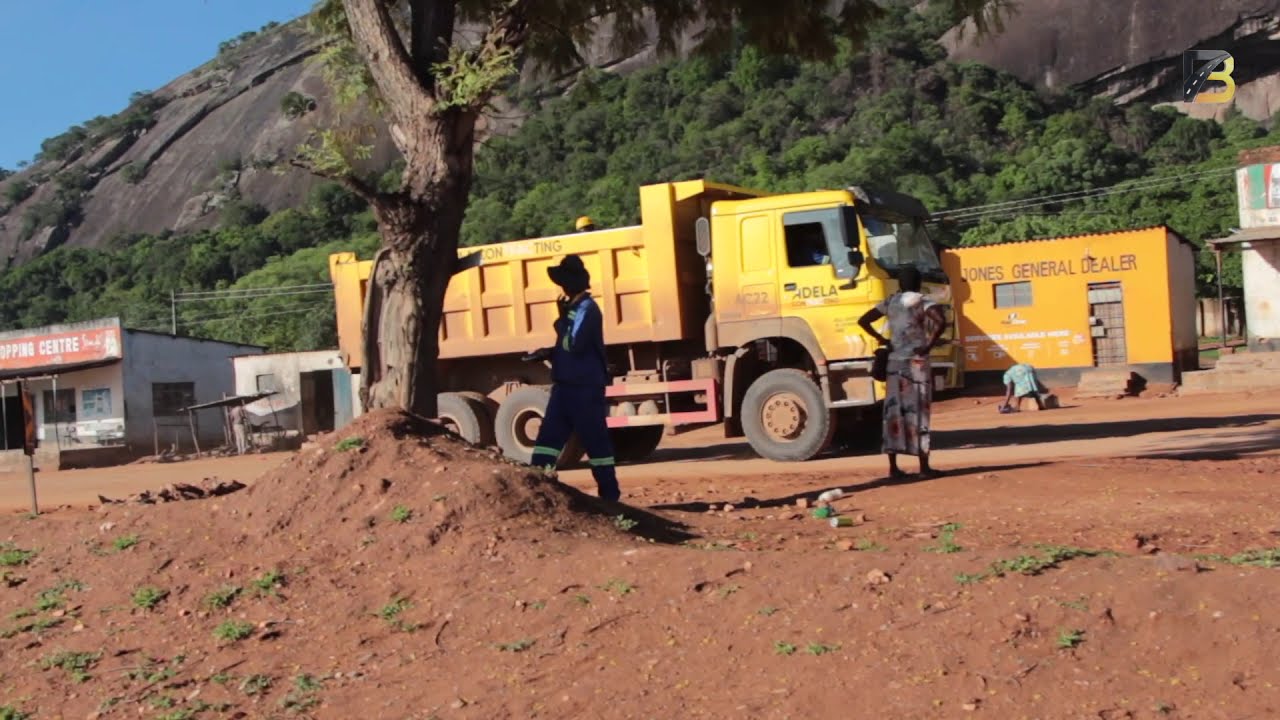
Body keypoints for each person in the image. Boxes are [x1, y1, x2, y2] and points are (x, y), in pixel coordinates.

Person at [521, 254, 621, 501]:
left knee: (596, 442)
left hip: (584, 388)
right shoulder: (575, 309)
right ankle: (540, 493)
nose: (562, 288)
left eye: (564, 283)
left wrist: (562, 322)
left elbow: (574, 344)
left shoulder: (587, 309)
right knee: (547, 440)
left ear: (572, 284)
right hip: (565, 387)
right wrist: (548, 352)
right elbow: (566, 347)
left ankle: (610, 498)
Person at [857, 266, 948, 479]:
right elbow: (941, 321)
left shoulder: (891, 302)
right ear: (918, 282)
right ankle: (923, 467)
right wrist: (928, 346)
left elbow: (863, 320)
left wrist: (882, 339)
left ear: (899, 283)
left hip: (894, 363)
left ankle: (893, 468)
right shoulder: (921, 301)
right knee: (919, 411)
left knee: (893, 412)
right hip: (916, 363)